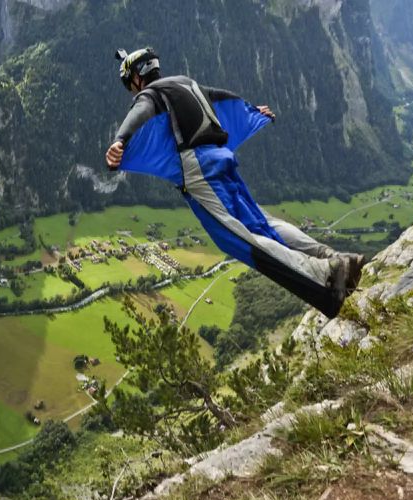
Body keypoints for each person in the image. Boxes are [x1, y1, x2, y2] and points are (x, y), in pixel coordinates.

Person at [105, 47, 365, 318]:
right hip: (222, 156)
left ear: (137, 77)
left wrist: (120, 140)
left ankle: (323, 274)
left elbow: (142, 110)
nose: (133, 92)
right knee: (260, 223)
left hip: (199, 169)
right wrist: (251, 110)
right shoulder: (186, 83)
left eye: (130, 85)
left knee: (236, 237)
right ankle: (332, 258)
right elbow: (222, 98)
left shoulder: (151, 94)